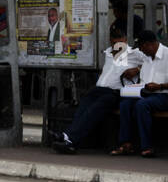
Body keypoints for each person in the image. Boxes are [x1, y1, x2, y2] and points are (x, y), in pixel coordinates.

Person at [50, 24, 129, 153]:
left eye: (121, 42)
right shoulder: (109, 52)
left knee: (94, 109)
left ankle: (68, 137)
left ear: (125, 40)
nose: (119, 46)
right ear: (111, 41)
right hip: (99, 89)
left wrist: (136, 69)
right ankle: (69, 139)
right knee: (83, 107)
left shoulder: (134, 54)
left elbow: (148, 62)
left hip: (115, 92)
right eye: (115, 43)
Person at [112, 29, 168, 157]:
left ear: (149, 45)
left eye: (141, 48)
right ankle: (125, 144)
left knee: (142, 105)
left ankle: (147, 146)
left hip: (166, 94)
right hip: (148, 93)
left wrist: (160, 86)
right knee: (125, 104)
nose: (140, 51)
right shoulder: (147, 58)